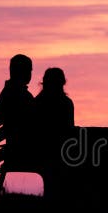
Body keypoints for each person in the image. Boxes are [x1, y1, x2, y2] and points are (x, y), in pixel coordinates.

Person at [34, 67, 75, 198]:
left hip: (40, 148)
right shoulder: (66, 104)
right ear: (62, 83)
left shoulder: (37, 102)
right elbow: (70, 130)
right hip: (52, 151)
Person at [0, 53, 37, 169]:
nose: (30, 74)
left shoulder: (7, 92)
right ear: (21, 72)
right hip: (21, 151)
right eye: (29, 70)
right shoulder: (22, 95)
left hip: (13, 149)